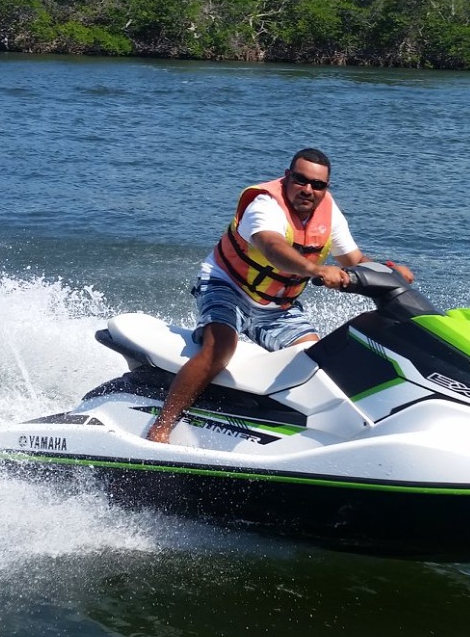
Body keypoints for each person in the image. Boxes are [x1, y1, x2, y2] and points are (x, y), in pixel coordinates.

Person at [146, 148, 410, 444]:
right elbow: (272, 248)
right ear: (287, 177)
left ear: (326, 188)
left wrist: (389, 271)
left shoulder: (329, 214)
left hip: (278, 308)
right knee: (221, 347)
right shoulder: (265, 205)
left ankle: (286, 434)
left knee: (316, 363)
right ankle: (161, 427)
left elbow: (354, 259)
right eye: (301, 180)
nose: (308, 190)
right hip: (228, 287)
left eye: (318, 185)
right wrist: (315, 270)